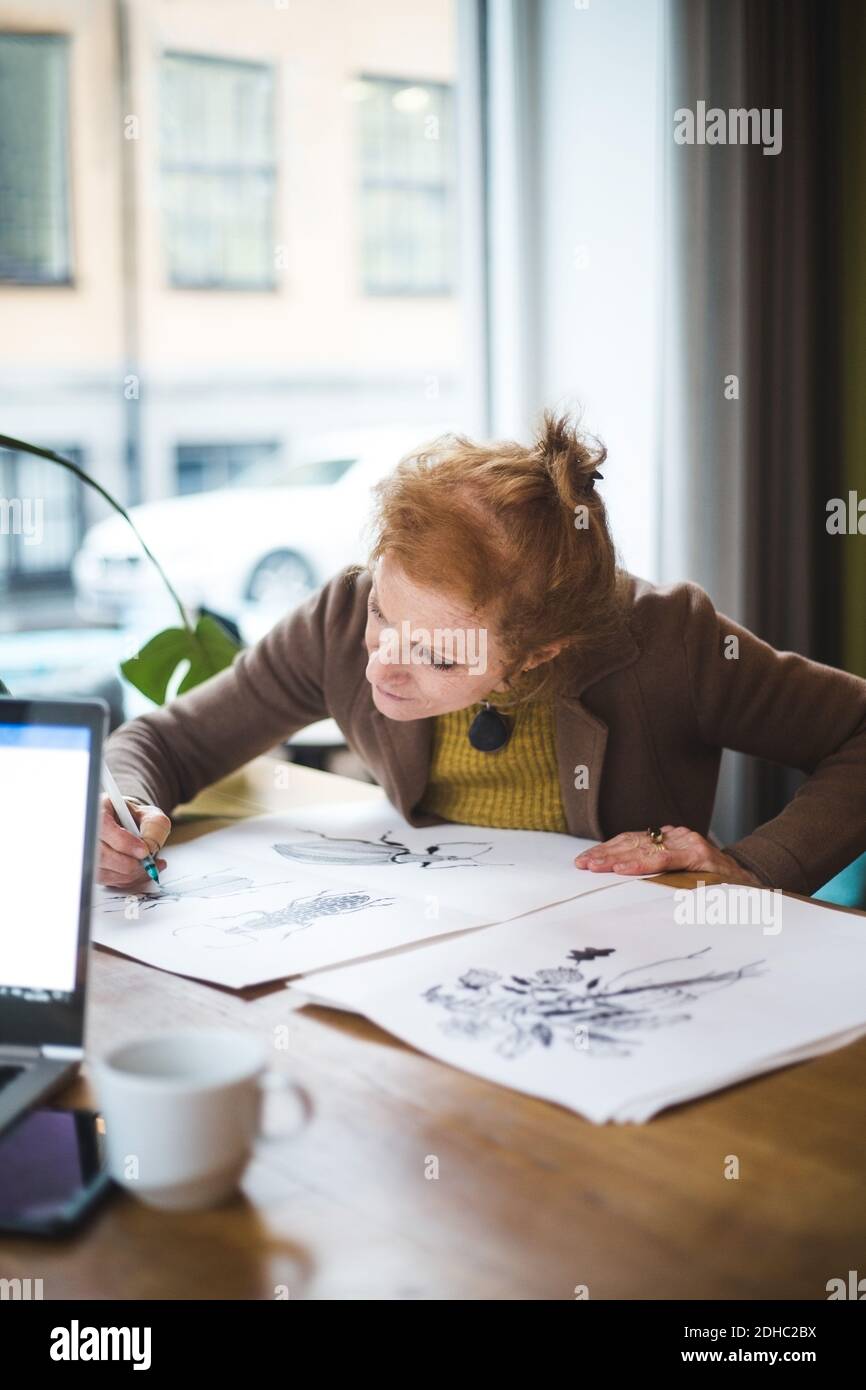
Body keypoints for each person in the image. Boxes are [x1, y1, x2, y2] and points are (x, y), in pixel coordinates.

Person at [100, 411, 866, 897]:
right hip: (417, 949)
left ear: (540, 652)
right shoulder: (338, 619)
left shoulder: (672, 642)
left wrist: (761, 868)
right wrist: (124, 811)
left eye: (435, 654)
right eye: (382, 611)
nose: (378, 666)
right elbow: (163, 740)